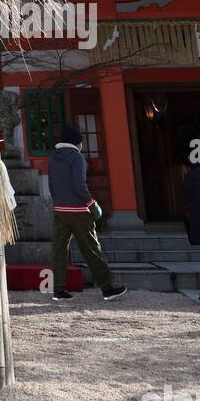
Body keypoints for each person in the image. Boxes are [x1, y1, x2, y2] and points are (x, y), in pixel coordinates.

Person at [49, 123, 127, 303]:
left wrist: (58, 203)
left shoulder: (53, 158)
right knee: (92, 249)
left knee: (59, 250)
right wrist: (92, 204)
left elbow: (52, 186)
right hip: (79, 211)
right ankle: (107, 288)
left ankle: (58, 289)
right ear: (77, 143)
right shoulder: (77, 158)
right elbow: (79, 185)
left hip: (60, 210)